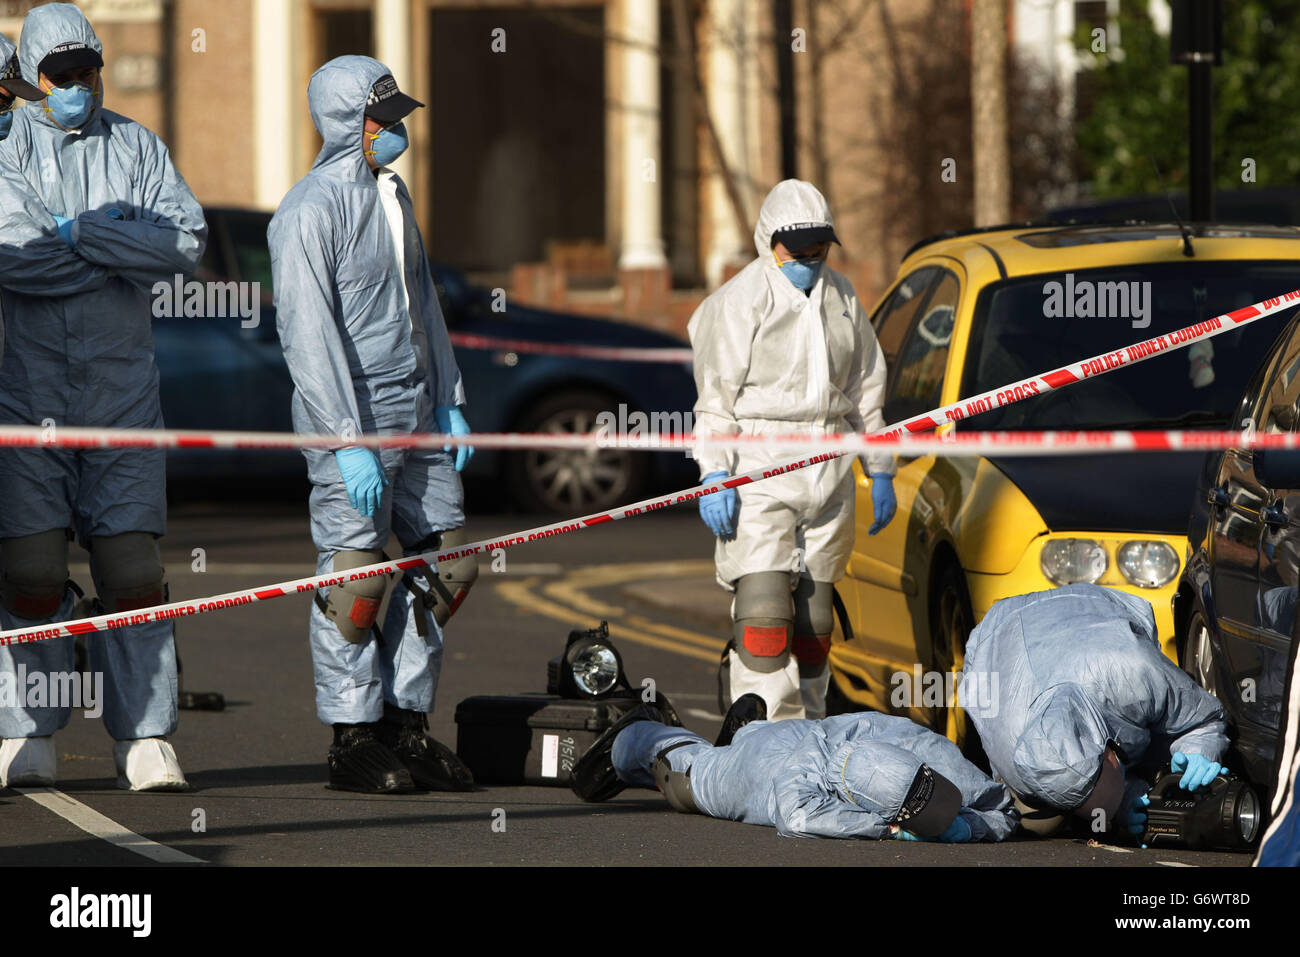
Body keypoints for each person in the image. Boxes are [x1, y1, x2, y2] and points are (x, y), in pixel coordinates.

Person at [0, 3, 206, 790]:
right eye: (61, 74)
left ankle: (146, 734)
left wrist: (78, 233)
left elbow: (182, 244)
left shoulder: (137, 145)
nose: (78, 86)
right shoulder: (7, 144)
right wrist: (122, 242)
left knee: (130, 569)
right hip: (29, 393)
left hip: (123, 394)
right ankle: (30, 731)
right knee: (31, 568)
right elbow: (16, 260)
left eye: (89, 70)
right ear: (32, 75)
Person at [268, 56, 478, 794]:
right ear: (343, 123)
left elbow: (425, 305)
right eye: (384, 121)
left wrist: (449, 397)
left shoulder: (395, 196)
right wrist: (345, 440)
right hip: (351, 421)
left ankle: (403, 720)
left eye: (399, 119)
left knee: (447, 563)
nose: (398, 132)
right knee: (357, 583)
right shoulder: (306, 211)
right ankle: (351, 736)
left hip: (418, 412)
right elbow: (306, 335)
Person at [688, 179, 897, 723]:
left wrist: (880, 469)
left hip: (828, 469)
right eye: (796, 250)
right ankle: (762, 737)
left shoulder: (843, 298)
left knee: (814, 624)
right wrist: (714, 473)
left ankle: (808, 735)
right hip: (759, 467)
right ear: (768, 241)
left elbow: (865, 390)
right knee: (763, 617)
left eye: (817, 250)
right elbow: (715, 401)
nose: (807, 260)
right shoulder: (739, 301)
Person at [962, 583, 1230, 840]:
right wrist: (1127, 804)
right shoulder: (1010, 755)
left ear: (1109, 749)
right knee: (1038, 824)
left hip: (1089, 609)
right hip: (996, 635)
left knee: (1161, 730)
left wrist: (1199, 751)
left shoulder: (1133, 673)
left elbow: (1203, 717)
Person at [571, 694, 1017, 841]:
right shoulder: (794, 791)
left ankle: (747, 729)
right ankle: (633, 737)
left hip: (800, 733)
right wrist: (886, 830)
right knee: (685, 779)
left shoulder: (918, 745)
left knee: (744, 741)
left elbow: (1002, 808)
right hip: (759, 767)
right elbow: (798, 818)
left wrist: (982, 824)